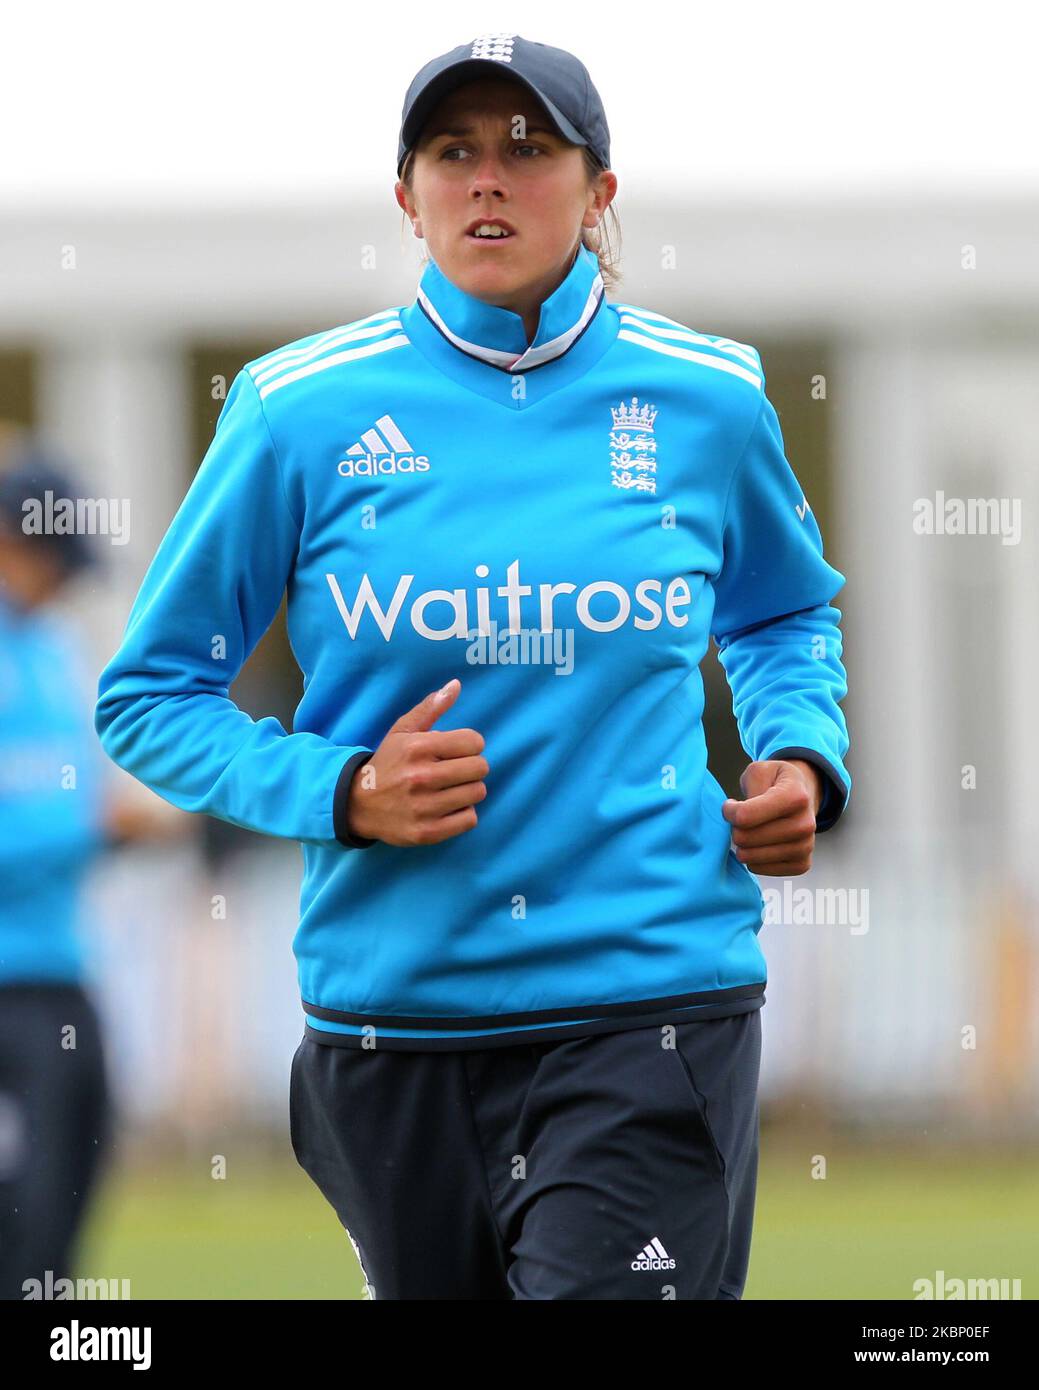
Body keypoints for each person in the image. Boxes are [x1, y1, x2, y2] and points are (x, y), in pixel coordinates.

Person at [94, 32, 851, 1300]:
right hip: (390, 1026)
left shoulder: (708, 397)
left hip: (650, 1004)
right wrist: (339, 790)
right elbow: (150, 695)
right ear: (407, 198)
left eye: (527, 148)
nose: (487, 179)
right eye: (454, 152)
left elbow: (783, 615)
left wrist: (800, 753)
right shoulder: (299, 409)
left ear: (600, 190)